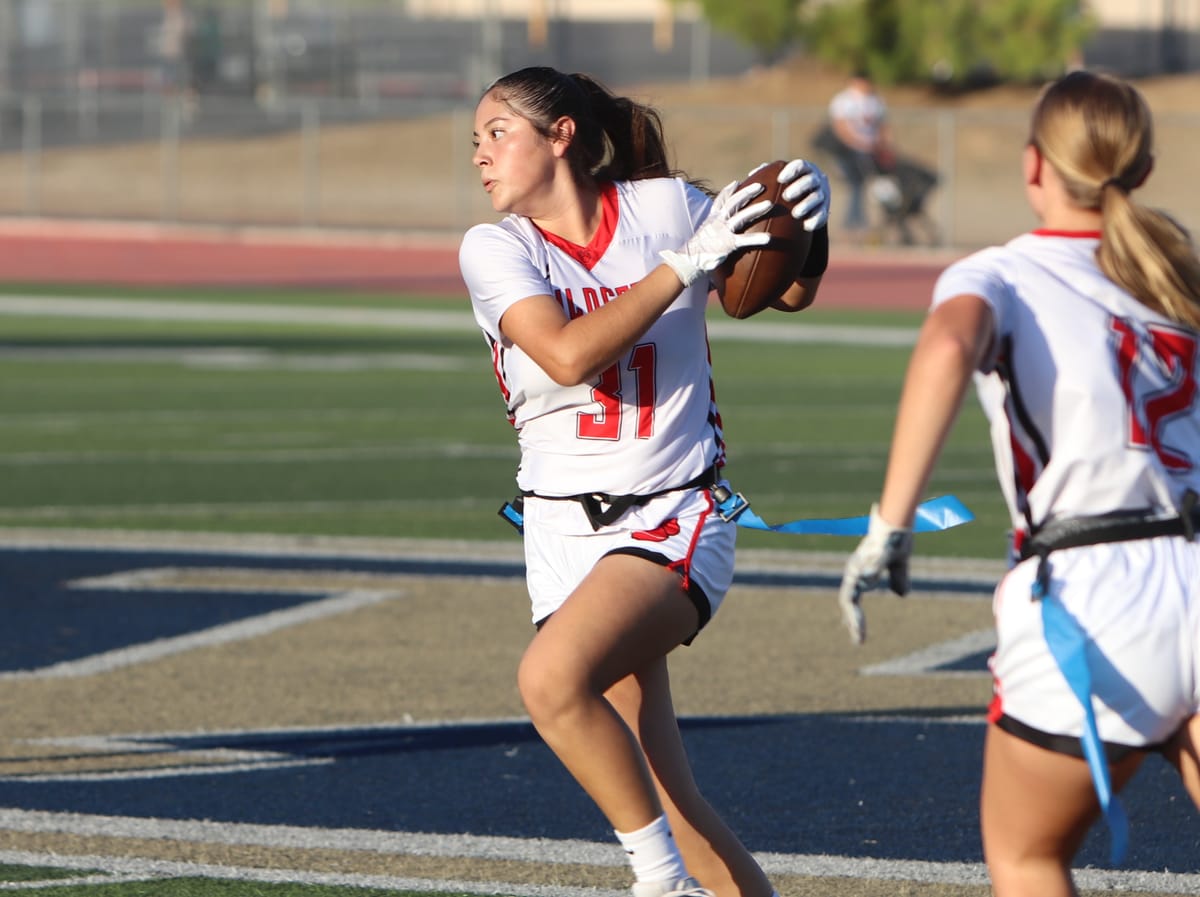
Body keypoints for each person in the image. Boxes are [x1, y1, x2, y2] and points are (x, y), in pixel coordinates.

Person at [458, 66, 831, 897]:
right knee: (668, 797)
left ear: (561, 135)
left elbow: (778, 291)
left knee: (549, 681)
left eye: (496, 133)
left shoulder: (665, 208)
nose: (479, 154)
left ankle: (660, 885)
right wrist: (680, 267)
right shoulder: (495, 246)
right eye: (476, 140)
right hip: (558, 533)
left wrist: (810, 227)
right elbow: (567, 355)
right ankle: (679, 875)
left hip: (672, 514)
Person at [837, 69, 1200, 897]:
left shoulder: (1003, 272)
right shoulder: (1177, 273)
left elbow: (944, 347)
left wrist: (891, 522)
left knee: (1028, 857)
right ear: (1142, 169)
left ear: (1034, 164)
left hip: (1093, 590)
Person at [826, 71, 894, 239]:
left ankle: (856, 223)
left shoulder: (875, 101)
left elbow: (882, 126)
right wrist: (859, 143)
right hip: (848, 151)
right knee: (856, 184)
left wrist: (882, 145)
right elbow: (841, 127)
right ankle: (854, 223)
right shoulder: (844, 100)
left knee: (863, 185)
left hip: (870, 151)